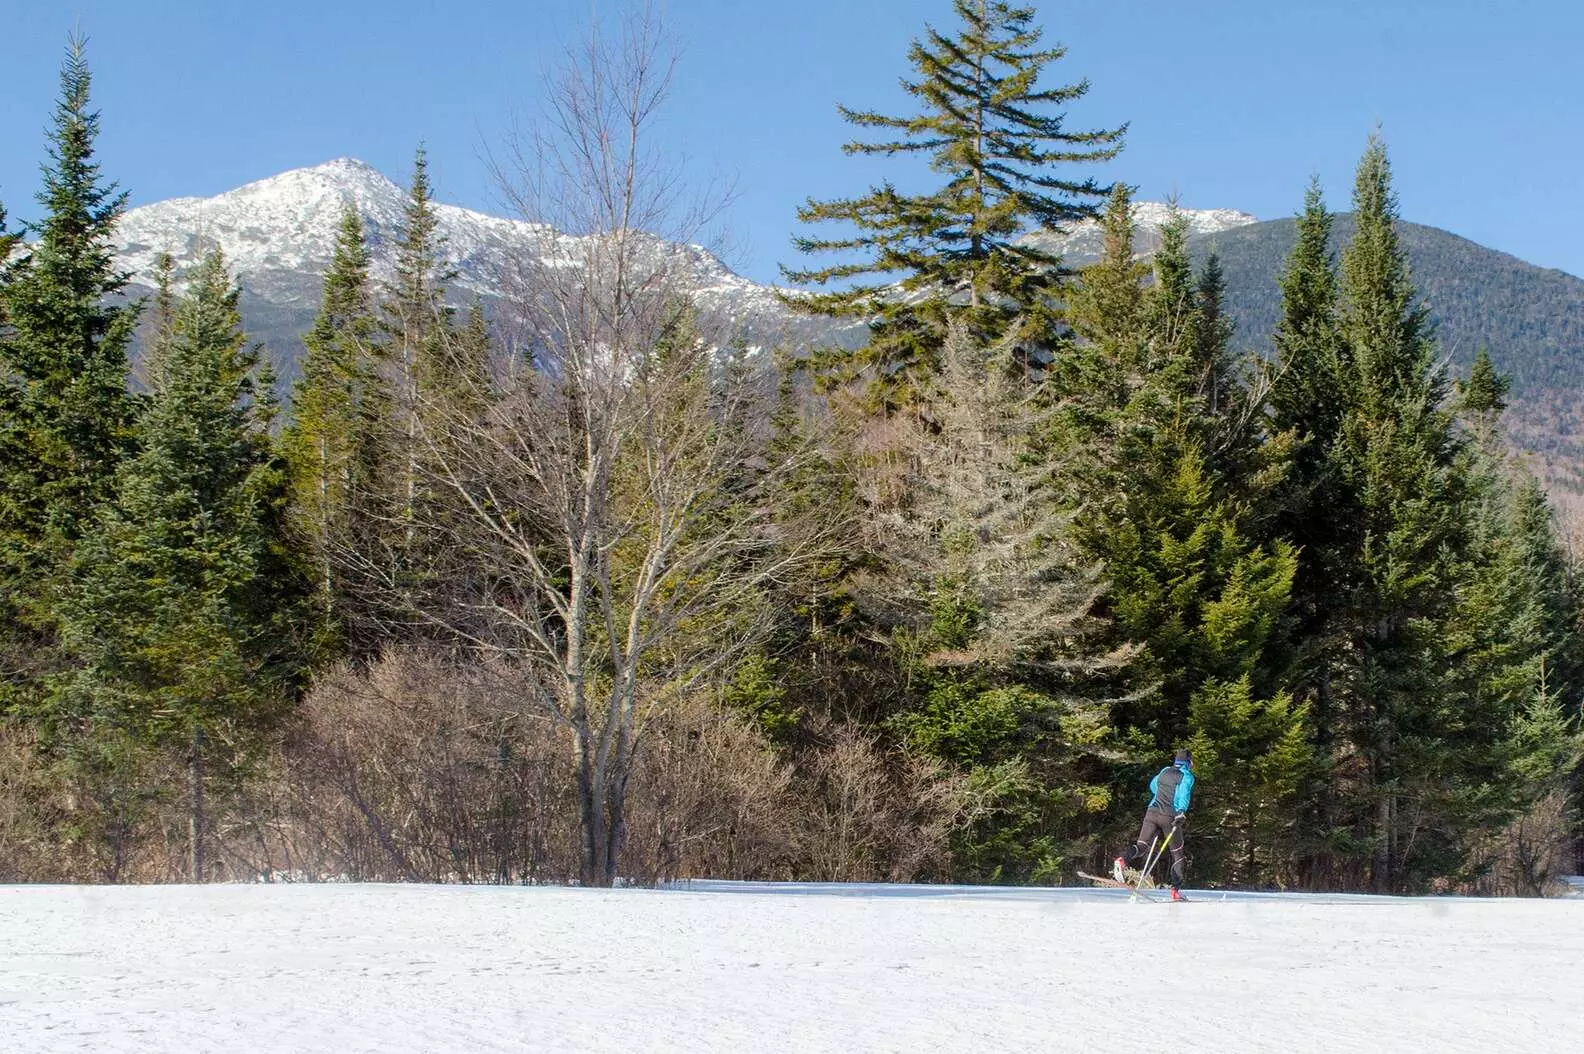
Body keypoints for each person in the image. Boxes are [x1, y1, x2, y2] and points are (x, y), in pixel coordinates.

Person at [1113, 748, 1194, 901]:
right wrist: (1181, 811)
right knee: (1177, 853)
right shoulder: (1186, 775)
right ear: (1188, 762)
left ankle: (1122, 860)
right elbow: (1184, 794)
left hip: (1151, 812)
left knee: (1142, 846)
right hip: (1169, 815)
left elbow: (1153, 786)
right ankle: (1175, 892)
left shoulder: (1164, 771)